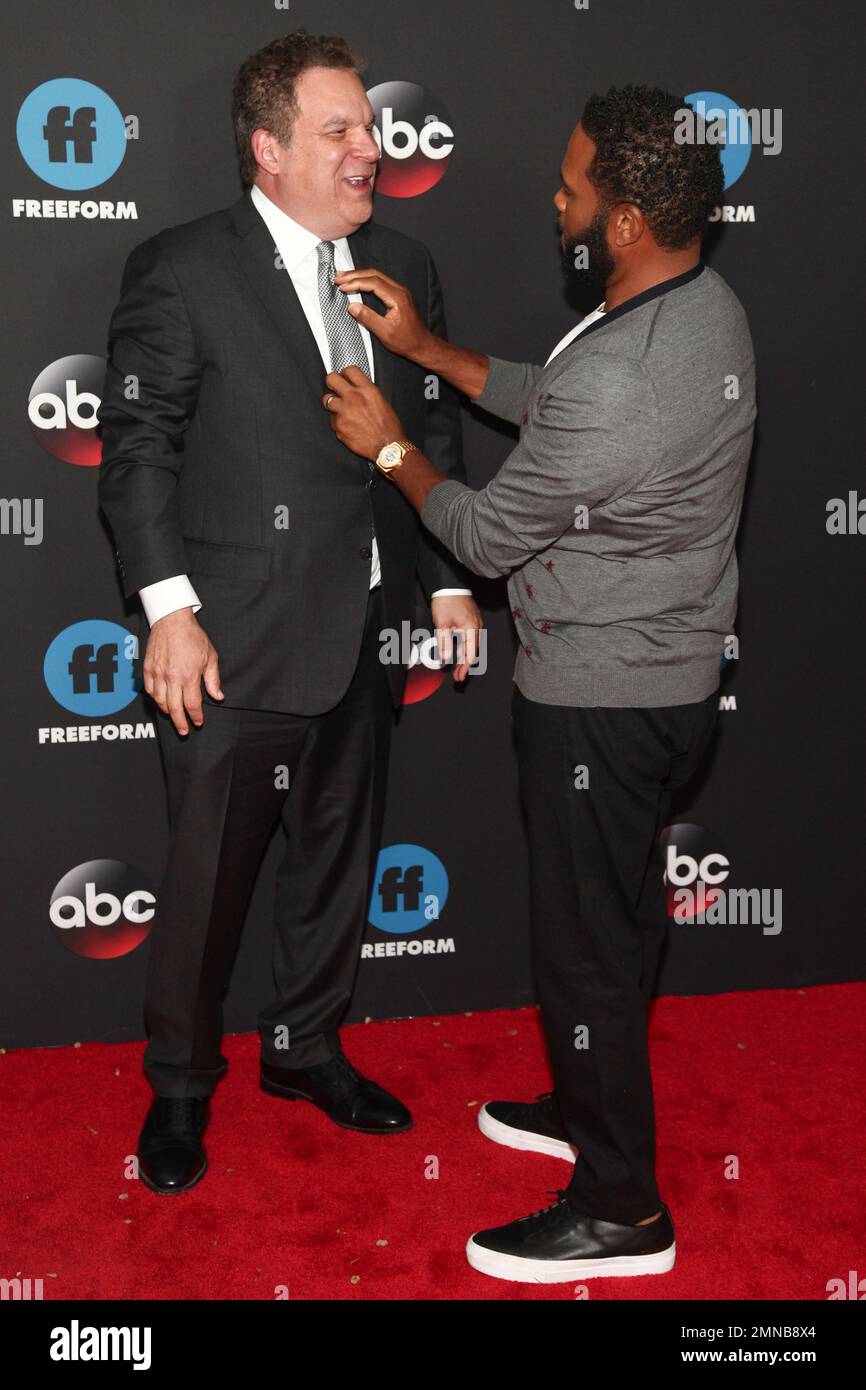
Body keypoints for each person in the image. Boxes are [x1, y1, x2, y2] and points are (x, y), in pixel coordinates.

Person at [322, 84, 756, 1282]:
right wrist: (424, 353)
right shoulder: (692, 302)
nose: (554, 197)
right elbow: (555, 405)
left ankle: (622, 1208)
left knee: (584, 957)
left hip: (601, 703)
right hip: (659, 684)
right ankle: (586, 1100)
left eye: (571, 185)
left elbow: (481, 533)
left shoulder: (632, 369)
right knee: (612, 927)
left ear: (620, 219)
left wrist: (390, 442)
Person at [97, 30, 482, 1195]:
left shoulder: (403, 259)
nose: (373, 147)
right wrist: (168, 609)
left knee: (336, 862)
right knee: (208, 883)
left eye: (368, 125)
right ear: (267, 150)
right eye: (341, 130)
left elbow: (430, 426)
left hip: (364, 630)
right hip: (230, 644)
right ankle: (177, 1087)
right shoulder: (183, 268)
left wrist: (451, 578)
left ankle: (304, 1047)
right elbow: (137, 453)